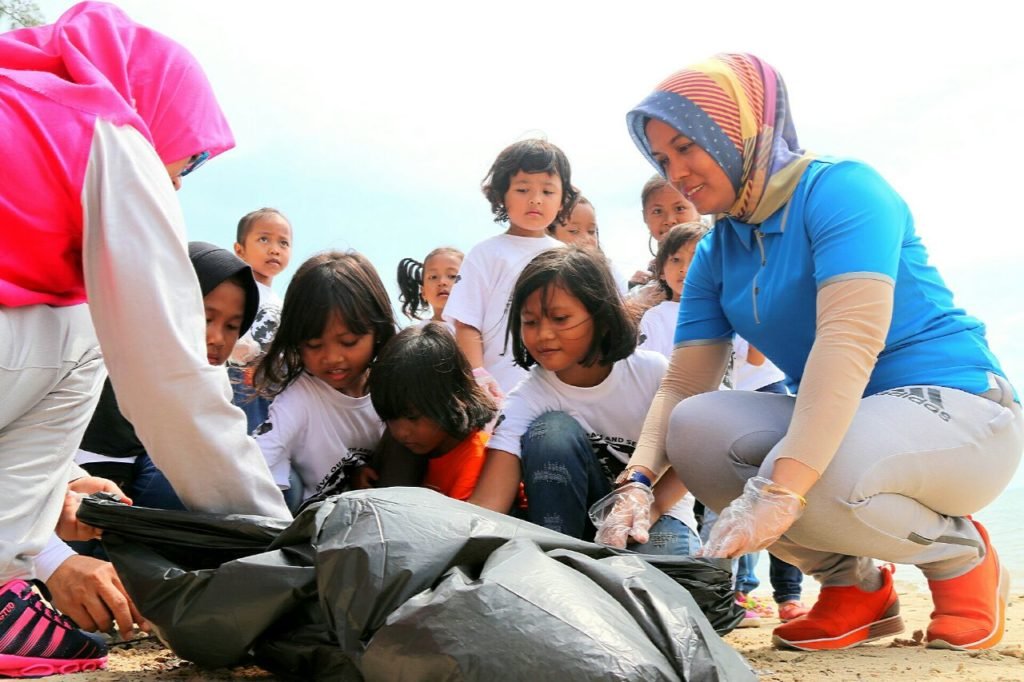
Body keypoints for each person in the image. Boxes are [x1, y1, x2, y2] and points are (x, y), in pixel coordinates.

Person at [597, 52, 1022, 652]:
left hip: (961, 411)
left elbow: (847, 342)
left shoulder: (844, 189)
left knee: (801, 470)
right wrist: (636, 481)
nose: (678, 173)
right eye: (663, 160)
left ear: (738, 127)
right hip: (853, 423)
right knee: (696, 432)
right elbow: (682, 386)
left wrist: (780, 488)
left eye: (688, 147)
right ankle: (856, 588)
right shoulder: (716, 251)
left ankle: (962, 557)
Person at [0, 3, 288, 675]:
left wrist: (61, 490)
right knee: (96, 323)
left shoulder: (24, 105)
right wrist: (275, 539)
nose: (180, 179)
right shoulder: (109, 130)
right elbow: (170, 377)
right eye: (185, 156)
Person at [469, 247, 699, 555]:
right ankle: (560, 558)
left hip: (656, 515)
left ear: (602, 318)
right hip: (580, 529)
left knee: (654, 596)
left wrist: (646, 512)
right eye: (530, 321)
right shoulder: (528, 397)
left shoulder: (653, 373)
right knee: (551, 431)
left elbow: (691, 457)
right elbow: (489, 504)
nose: (543, 334)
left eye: (560, 318)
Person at [252, 251, 397, 504]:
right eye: (314, 344)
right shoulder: (300, 397)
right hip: (311, 526)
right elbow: (255, 461)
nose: (332, 358)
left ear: (378, 330)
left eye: (348, 342)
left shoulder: (391, 390)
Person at [444, 139, 576, 399]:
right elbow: (467, 323)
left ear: (562, 200)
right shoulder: (485, 253)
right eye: (523, 189)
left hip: (560, 394)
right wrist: (478, 377)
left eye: (548, 192)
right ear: (502, 194)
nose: (536, 200)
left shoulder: (568, 258)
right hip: (497, 393)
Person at [367, 324, 499, 501]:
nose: (400, 432)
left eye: (413, 417)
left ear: (450, 398)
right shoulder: (416, 443)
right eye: (389, 418)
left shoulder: (476, 458)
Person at [228, 208, 293, 434]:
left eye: (283, 243)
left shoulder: (282, 303)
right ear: (240, 250)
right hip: (235, 377)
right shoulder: (236, 288)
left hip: (268, 382)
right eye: (264, 239)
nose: (274, 249)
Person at [637, 222, 707, 357]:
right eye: (675, 259)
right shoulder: (656, 317)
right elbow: (645, 369)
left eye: (697, 259)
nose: (685, 269)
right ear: (661, 270)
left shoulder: (725, 312)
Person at [628, 175, 700, 290]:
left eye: (680, 208)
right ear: (645, 217)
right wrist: (635, 290)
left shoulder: (717, 258)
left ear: (698, 209)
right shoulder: (647, 280)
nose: (670, 220)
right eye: (657, 211)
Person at [396, 247, 464, 332]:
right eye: (433, 277)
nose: (442, 282)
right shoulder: (417, 335)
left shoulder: (481, 328)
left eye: (452, 276)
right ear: (423, 291)